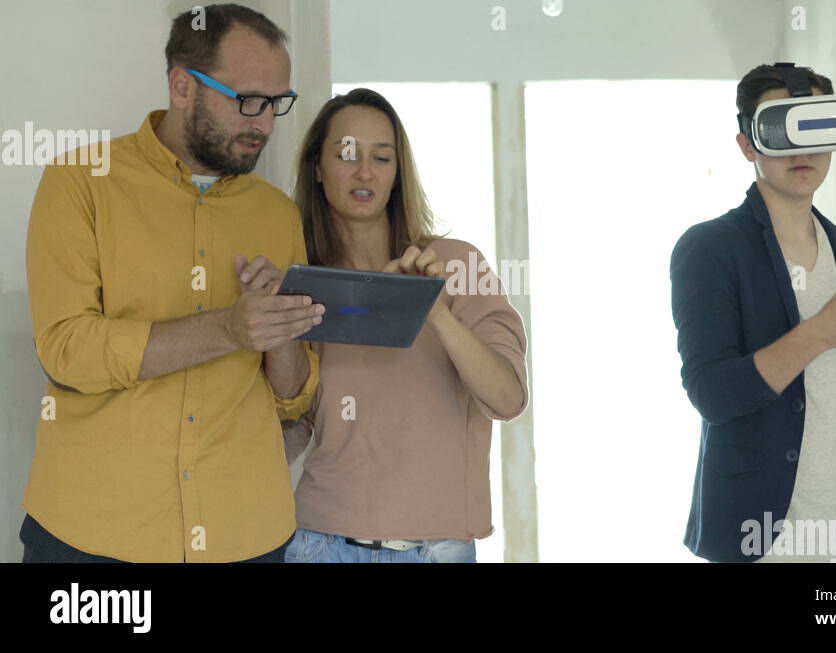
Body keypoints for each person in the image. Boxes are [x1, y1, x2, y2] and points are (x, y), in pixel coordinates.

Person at [20, 3, 322, 563]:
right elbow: (67, 351)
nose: (265, 123)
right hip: (95, 537)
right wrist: (229, 328)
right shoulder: (80, 184)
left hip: (246, 535)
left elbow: (293, 397)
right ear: (183, 86)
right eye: (248, 100)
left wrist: (277, 333)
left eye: (277, 103)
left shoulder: (278, 214)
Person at [669, 63, 836, 563]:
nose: (802, 150)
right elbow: (713, 394)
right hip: (766, 546)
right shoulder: (710, 248)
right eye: (782, 131)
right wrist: (820, 333)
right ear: (747, 145)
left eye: (815, 127)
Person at [279, 88, 530, 563]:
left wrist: (430, 307)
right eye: (347, 154)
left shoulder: (457, 265)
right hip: (319, 543)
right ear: (317, 167)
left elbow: (508, 397)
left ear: (398, 173)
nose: (365, 172)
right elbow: (287, 430)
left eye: (382, 157)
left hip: (437, 549)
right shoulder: (307, 283)